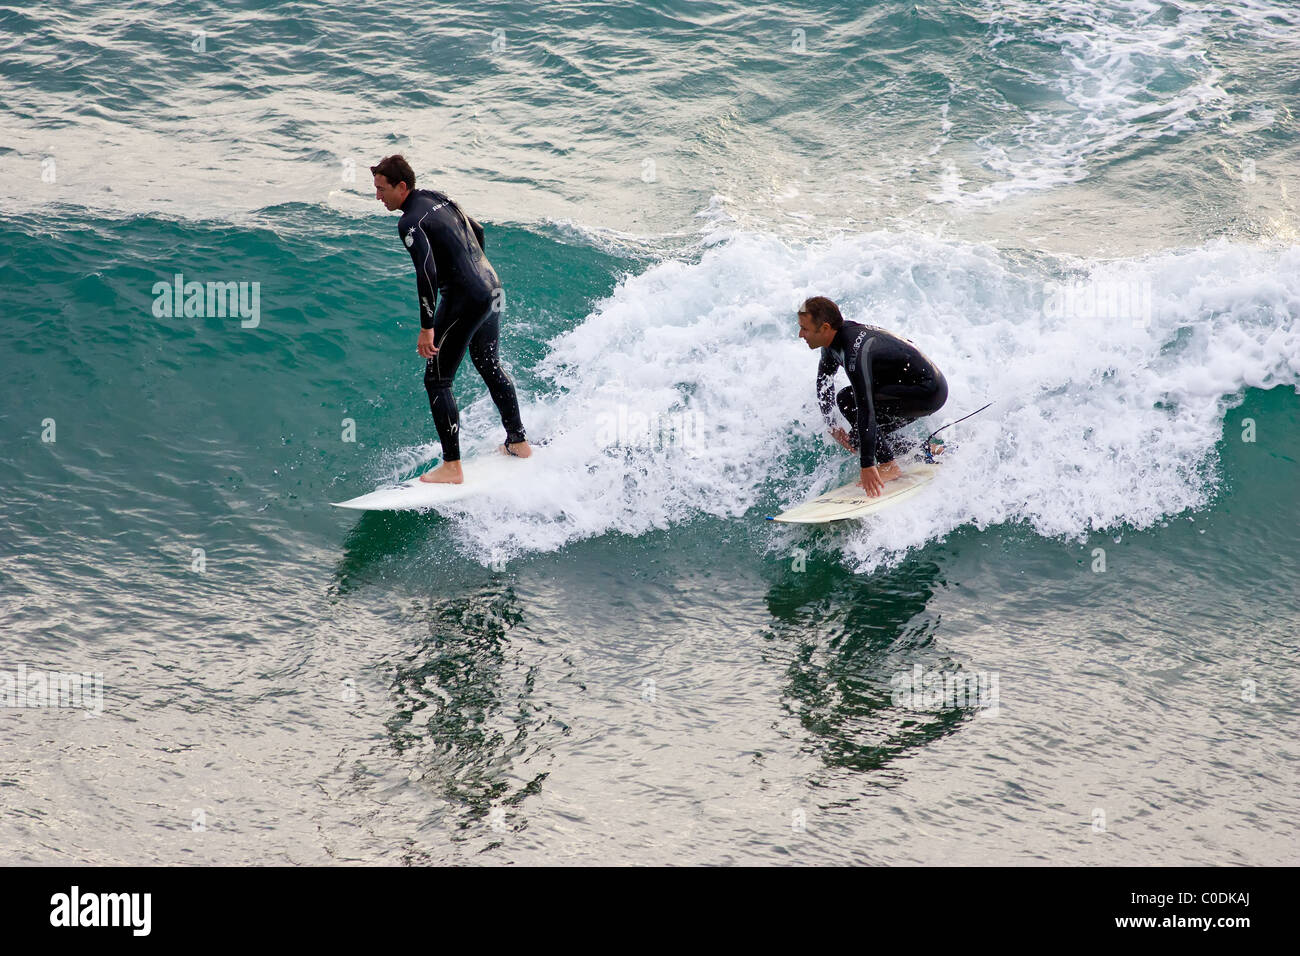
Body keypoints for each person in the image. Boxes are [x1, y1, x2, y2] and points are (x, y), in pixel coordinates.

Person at [372, 154, 530, 484]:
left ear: (402, 187)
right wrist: (475, 274)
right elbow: (478, 229)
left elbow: (426, 272)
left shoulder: (409, 222)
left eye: (382, 189)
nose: (378, 196)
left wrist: (427, 327)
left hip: (466, 298)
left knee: (437, 380)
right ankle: (518, 442)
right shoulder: (438, 198)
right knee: (488, 362)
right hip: (491, 286)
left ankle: (452, 467)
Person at [796, 296, 948, 497]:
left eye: (804, 329)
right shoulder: (832, 345)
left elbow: (865, 407)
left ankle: (889, 466)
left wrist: (867, 465)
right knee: (860, 437)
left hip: (928, 391)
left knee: (848, 401)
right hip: (904, 389)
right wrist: (831, 424)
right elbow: (824, 382)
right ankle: (925, 450)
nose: (800, 334)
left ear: (824, 328)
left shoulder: (853, 352)